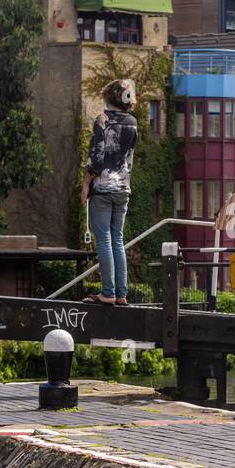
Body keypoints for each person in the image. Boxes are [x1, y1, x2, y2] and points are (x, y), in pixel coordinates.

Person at [82, 80, 138, 306]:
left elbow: (96, 157)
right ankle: (121, 294)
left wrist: (86, 184)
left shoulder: (102, 121)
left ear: (109, 97)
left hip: (103, 188)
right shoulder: (133, 123)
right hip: (123, 187)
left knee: (104, 240)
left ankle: (107, 293)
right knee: (118, 241)